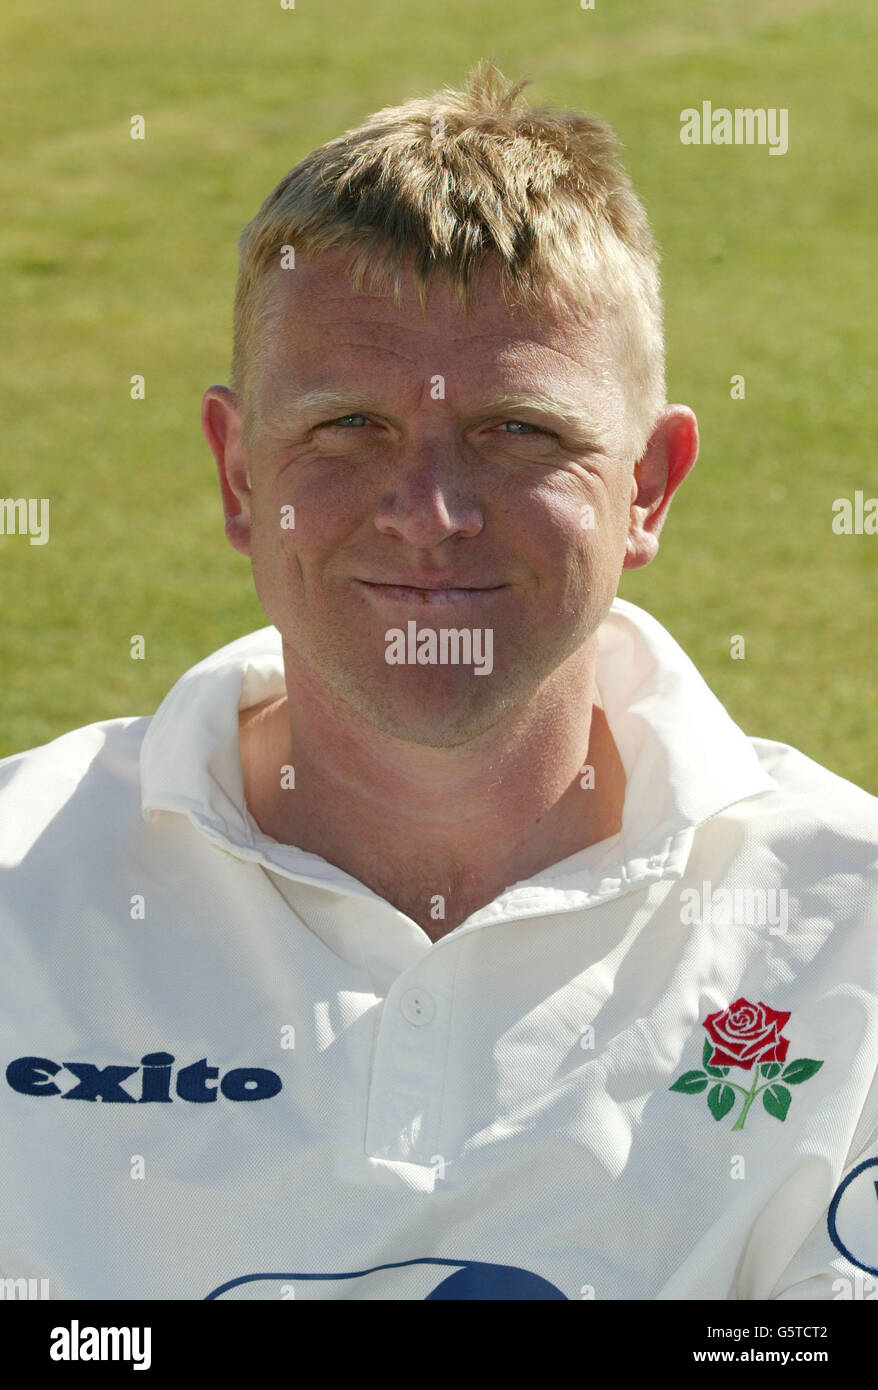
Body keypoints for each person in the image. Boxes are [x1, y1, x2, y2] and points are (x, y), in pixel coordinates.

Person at [1, 61, 876, 1303]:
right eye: (345, 428)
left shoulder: (848, 932)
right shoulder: (16, 890)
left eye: (518, 432)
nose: (430, 514)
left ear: (652, 485)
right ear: (241, 473)